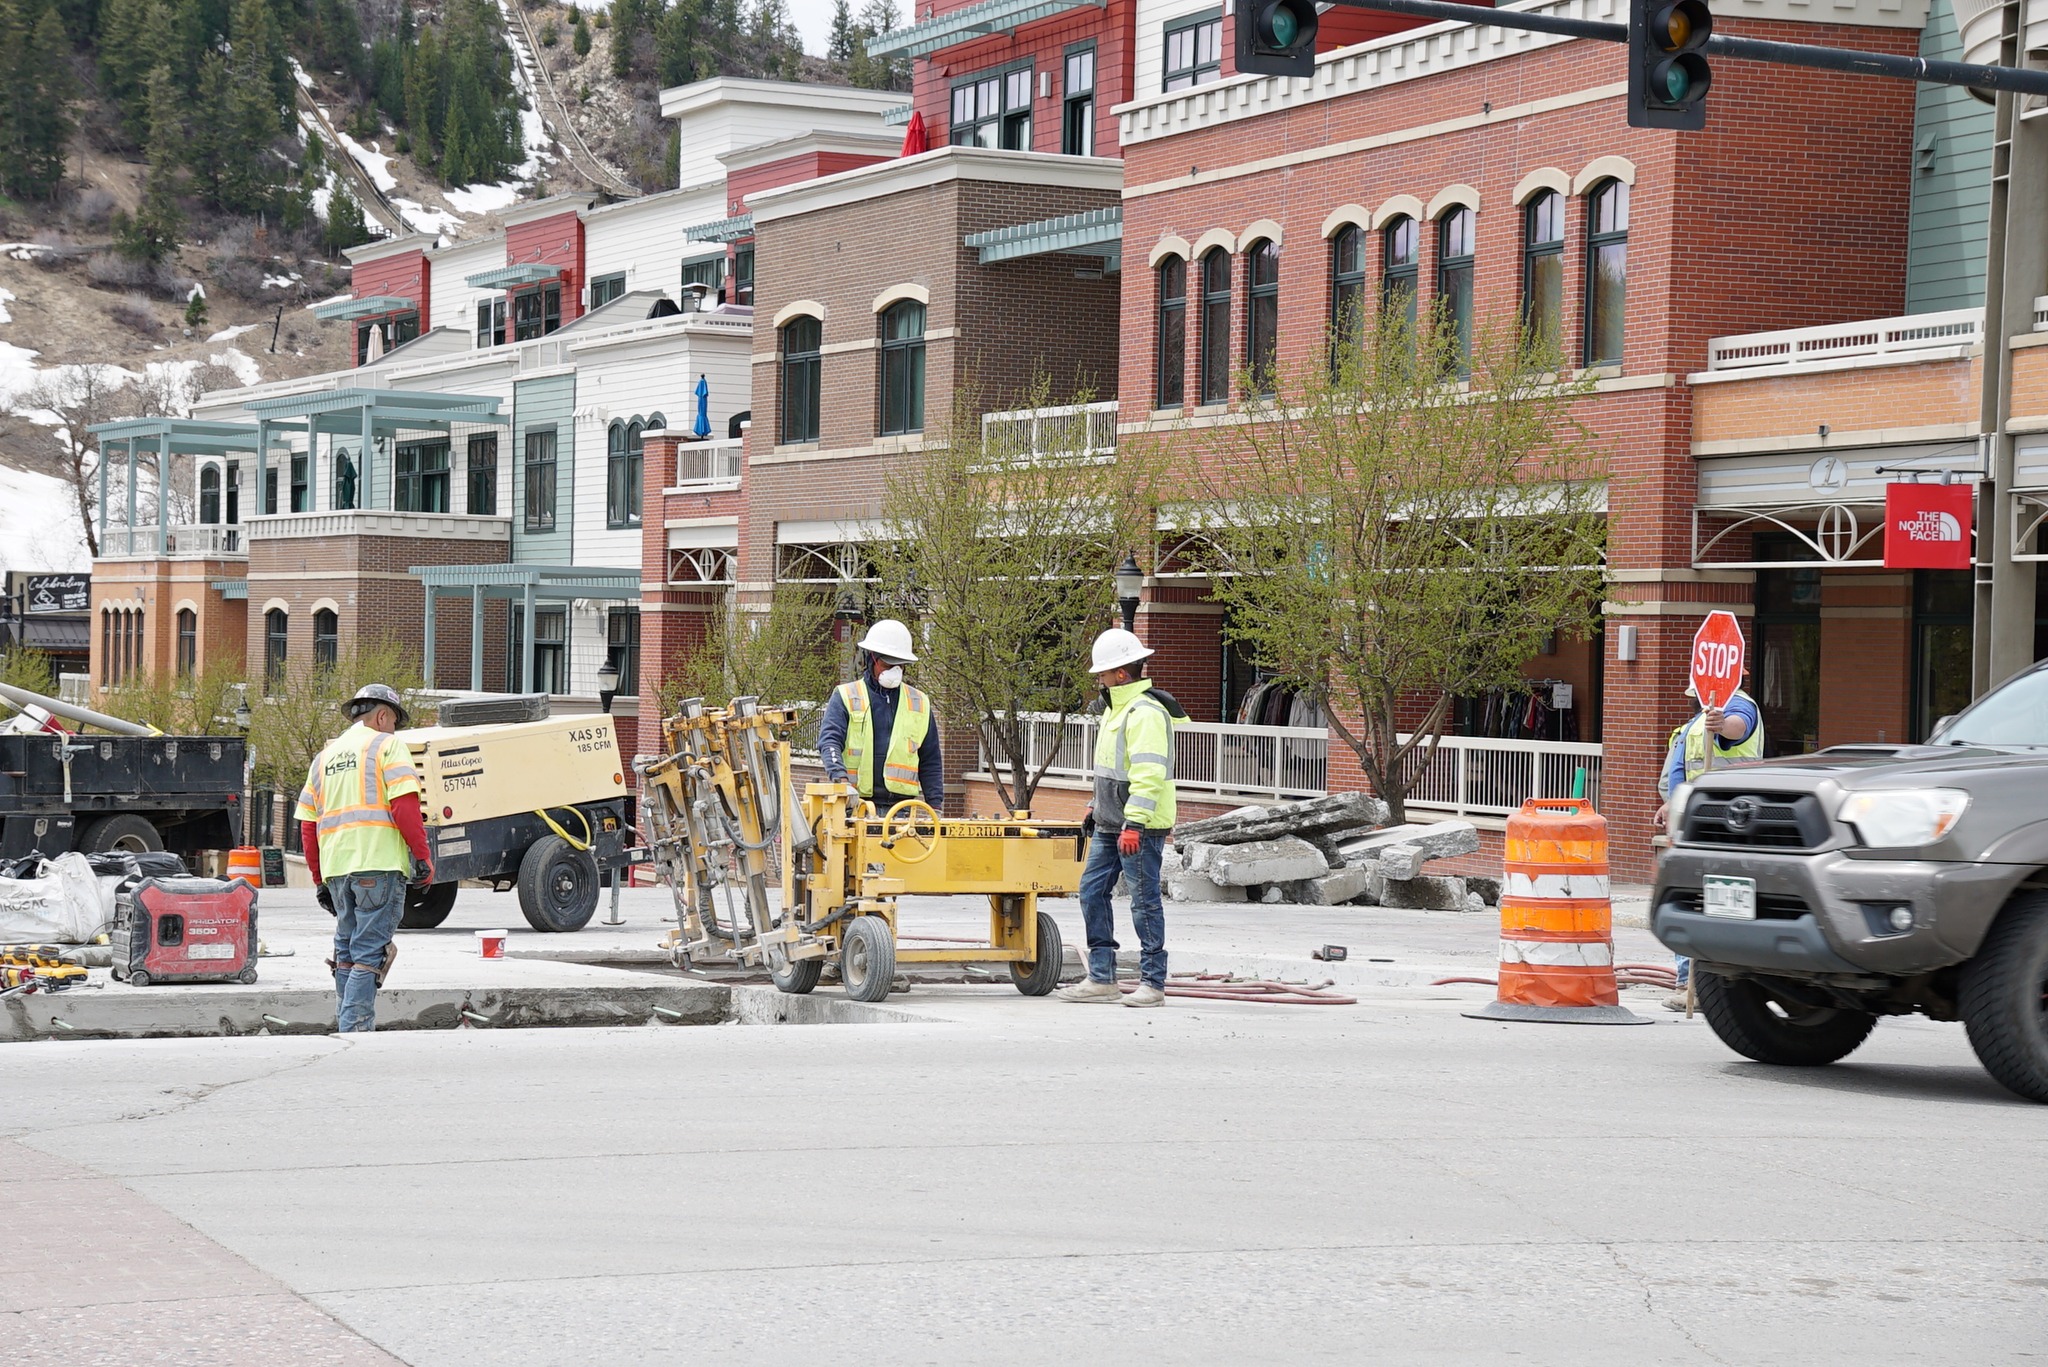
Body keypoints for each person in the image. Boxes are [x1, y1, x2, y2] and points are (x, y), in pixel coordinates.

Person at [295, 683, 434, 1033]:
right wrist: (423, 856)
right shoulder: (387, 746)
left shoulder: (323, 759)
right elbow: (405, 808)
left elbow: (308, 828)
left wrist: (318, 878)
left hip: (338, 869)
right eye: (394, 722)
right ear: (383, 715)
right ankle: (354, 1029)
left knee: (346, 949)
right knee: (370, 952)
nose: (394, 729)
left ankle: (346, 1024)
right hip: (379, 864)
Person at [1058, 628, 1177, 1009]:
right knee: (1092, 891)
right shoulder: (1116, 710)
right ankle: (1101, 977)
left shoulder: (1144, 713)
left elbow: (1148, 773)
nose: (1099, 679)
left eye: (1103, 673)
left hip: (1137, 827)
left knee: (1144, 902)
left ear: (1121, 674)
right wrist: (1095, 804)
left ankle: (1153, 983)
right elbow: (1109, 769)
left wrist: (1136, 824)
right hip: (1112, 823)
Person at [1655, 679, 1763, 1011]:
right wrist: (1670, 803)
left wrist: (1723, 724)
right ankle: (1690, 980)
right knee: (1688, 898)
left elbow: (1738, 727)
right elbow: (1687, 771)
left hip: (1723, 826)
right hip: (1694, 824)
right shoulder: (1696, 721)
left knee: (1701, 900)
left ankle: (1701, 982)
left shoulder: (1737, 705)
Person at [816, 619, 944, 813]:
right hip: (857, 805)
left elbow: (930, 759)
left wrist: (935, 806)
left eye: (899, 666)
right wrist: (841, 780)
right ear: (871, 659)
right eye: (887, 665)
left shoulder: (919, 702)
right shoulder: (846, 696)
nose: (894, 672)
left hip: (903, 809)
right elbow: (829, 741)